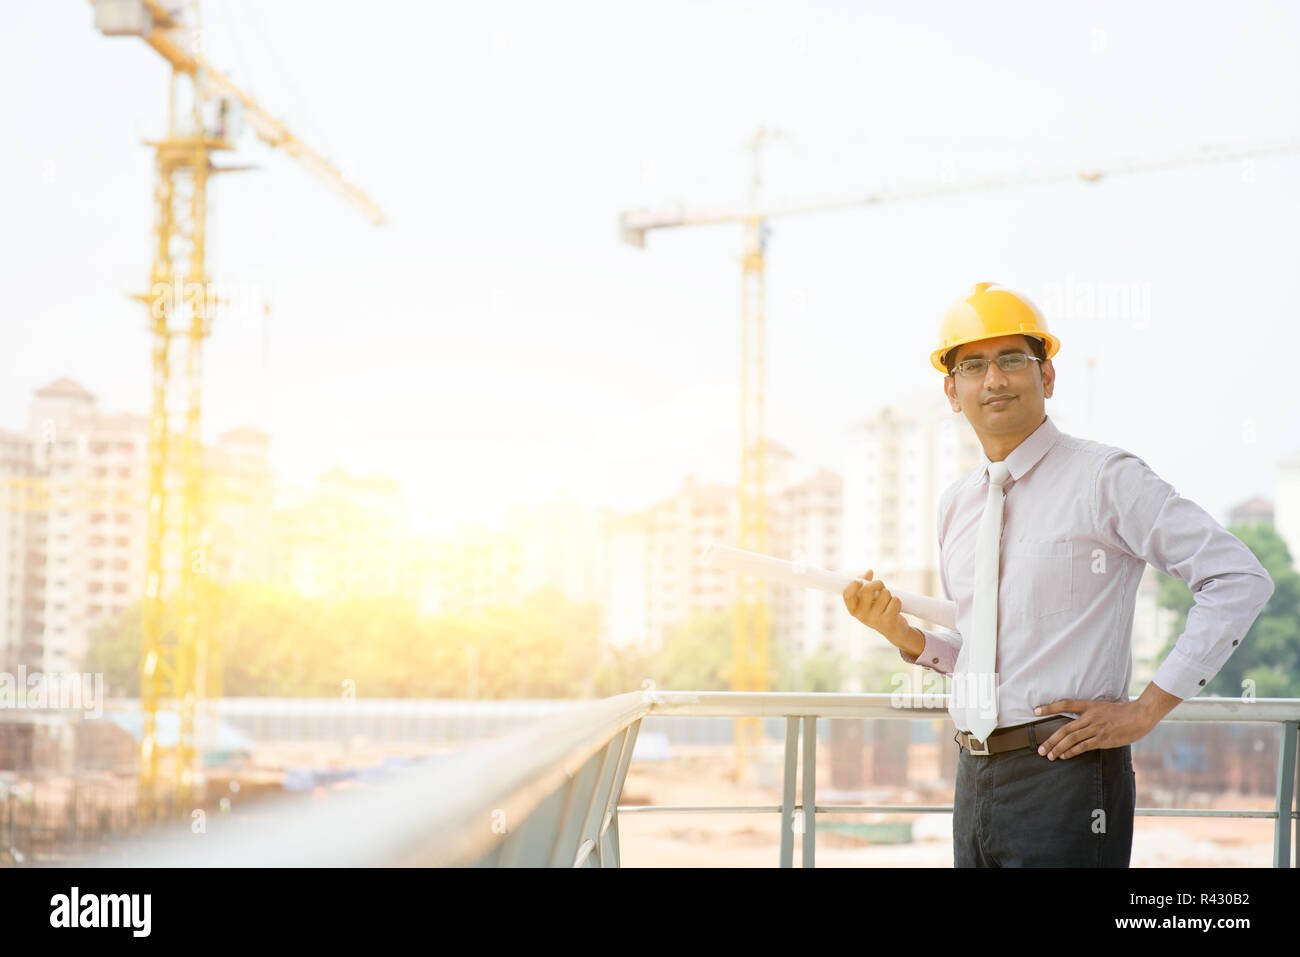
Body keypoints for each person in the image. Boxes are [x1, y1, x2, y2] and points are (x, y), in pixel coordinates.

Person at [842, 281, 1275, 867]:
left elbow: (1237, 578)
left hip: (1068, 777)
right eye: (973, 366)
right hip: (972, 779)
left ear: (1046, 377)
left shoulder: (1105, 478)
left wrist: (1146, 709)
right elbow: (981, 648)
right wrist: (904, 637)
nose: (994, 379)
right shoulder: (956, 504)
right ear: (952, 390)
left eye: (1012, 360)